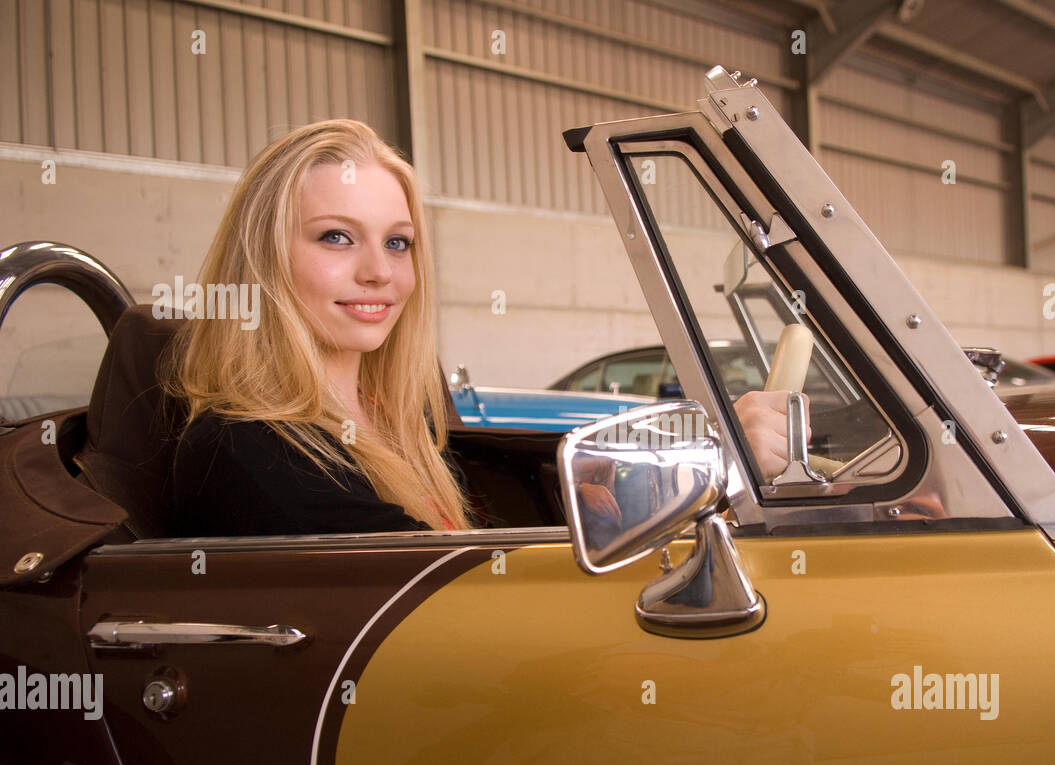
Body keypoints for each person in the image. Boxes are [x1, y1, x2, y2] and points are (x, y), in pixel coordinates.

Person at [166, 119, 802, 537]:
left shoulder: (398, 423)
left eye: (397, 243)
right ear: (263, 258)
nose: (378, 273)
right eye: (336, 237)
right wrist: (717, 463)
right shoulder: (243, 449)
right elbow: (453, 585)